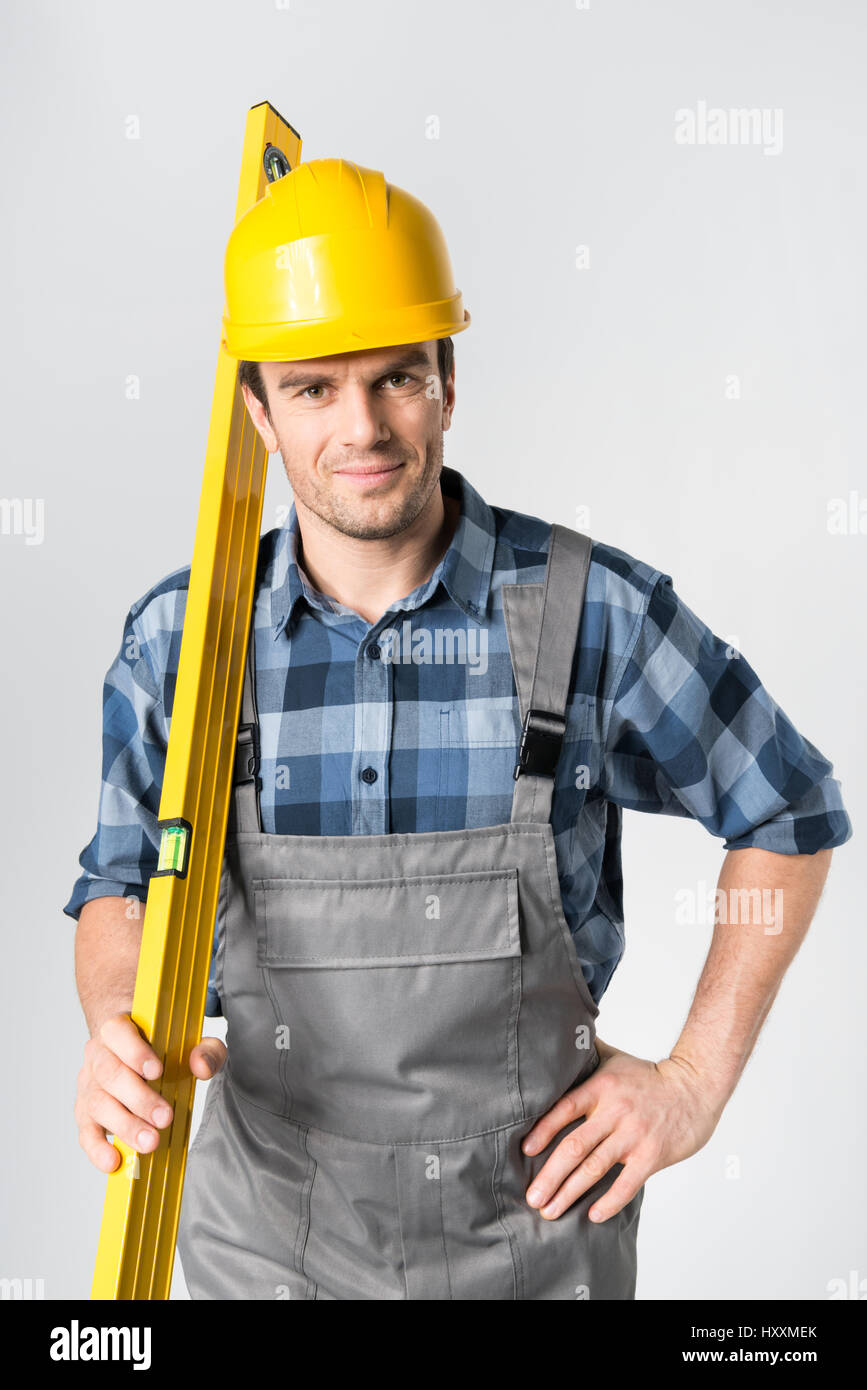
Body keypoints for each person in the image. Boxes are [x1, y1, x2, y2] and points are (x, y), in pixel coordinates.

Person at [67, 157, 852, 1300]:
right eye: (314, 389)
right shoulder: (184, 644)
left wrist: (691, 1082)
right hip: (268, 1247)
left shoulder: (593, 616)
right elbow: (119, 885)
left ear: (448, 377)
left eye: (396, 378)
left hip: (531, 1245)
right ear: (255, 410)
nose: (365, 428)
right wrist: (116, 1029)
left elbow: (791, 806)